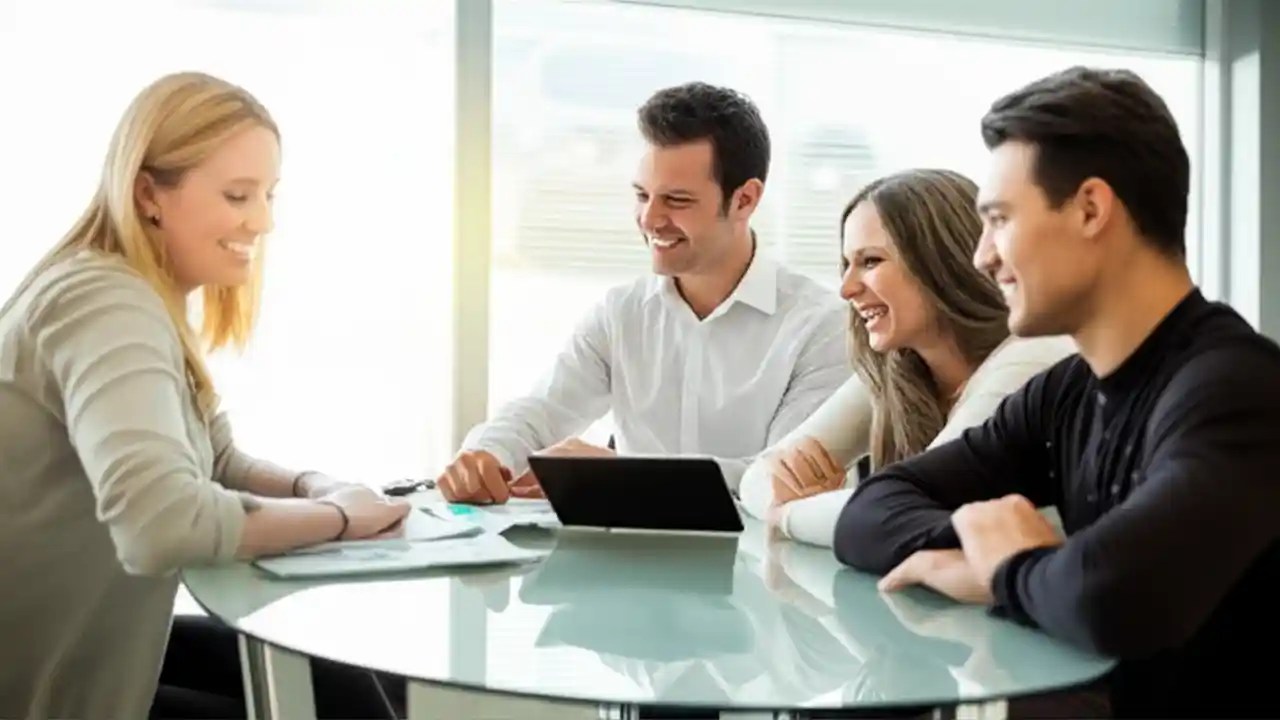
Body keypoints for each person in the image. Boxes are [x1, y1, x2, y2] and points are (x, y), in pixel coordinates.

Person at [834, 66, 1280, 718]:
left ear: (1091, 209)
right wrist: (989, 554)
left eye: (999, 220)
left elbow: (1114, 595)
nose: (983, 256)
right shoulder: (1066, 393)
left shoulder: (1239, 390)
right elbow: (869, 511)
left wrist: (1007, 569)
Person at [0, 72, 410, 719]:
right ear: (147, 194)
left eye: (269, 195)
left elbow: (216, 462)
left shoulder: (133, 297)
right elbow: (162, 525)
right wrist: (339, 522)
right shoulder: (103, 303)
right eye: (238, 195)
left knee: (345, 687)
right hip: (41, 689)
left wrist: (317, 487)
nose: (265, 221)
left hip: (89, 656)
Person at [438, 82, 848, 504]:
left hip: (758, 564)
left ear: (744, 200)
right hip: (626, 560)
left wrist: (625, 475)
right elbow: (541, 412)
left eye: (677, 200)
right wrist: (486, 453)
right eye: (641, 195)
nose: (650, 219)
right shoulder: (622, 313)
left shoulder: (823, 326)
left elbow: (782, 477)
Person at [737, 169, 1073, 546]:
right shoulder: (897, 368)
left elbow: (902, 513)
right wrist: (809, 508)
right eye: (846, 264)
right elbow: (759, 476)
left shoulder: (1030, 358)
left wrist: (790, 513)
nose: (847, 289)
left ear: (943, 263)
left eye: (871, 262)